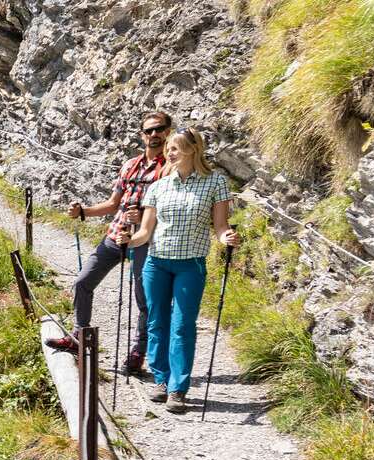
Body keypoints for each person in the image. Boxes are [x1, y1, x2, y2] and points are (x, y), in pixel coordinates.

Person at [46, 110, 173, 373]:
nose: (154, 135)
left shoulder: (170, 168)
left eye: (159, 129)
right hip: (116, 234)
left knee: (144, 297)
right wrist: (83, 212)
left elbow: (172, 208)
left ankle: (139, 350)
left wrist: (148, 215)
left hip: (147, 239)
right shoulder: (130, 165)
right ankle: (78, 336)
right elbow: (113, 204)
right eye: (148, 130)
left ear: (168, 132)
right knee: (83, 281)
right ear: (142, 135)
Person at [126, 127, 239, 413]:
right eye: (168, 149)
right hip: (156, 263)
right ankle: (161, 381)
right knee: (156, 322)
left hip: (191, 264)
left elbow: (221, 226)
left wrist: (227, 238)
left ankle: (178, 389)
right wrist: (128, 240)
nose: (169, 153)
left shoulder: (215, 182)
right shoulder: (159, 186)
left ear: (193, 148)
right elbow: (144, 232)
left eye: (174, 148)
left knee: (182, 326)